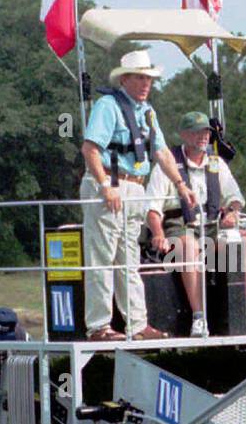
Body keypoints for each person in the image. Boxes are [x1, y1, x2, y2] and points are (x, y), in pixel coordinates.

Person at [81, 50, 194, 342]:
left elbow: (161, 152)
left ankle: (137, 324)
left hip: (135, 187)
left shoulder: (147, 112)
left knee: (129, 258)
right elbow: (91, 149)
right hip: (110, 182)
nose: (147, 84)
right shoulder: (108, 106)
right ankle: (99, 326)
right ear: (126, 79)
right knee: (102, 257)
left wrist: (181, 185)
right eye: (141, 78)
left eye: (150, 78)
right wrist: (106, 184)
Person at [145, 111, 246, 337]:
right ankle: (199, 317)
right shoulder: (167, 166)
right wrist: (157, 233)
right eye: (198, 132)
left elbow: (235, 198)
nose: (204, 136)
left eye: (206, 131)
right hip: (179, 227)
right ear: (184, 135)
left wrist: (232, 213)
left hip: (211, 226)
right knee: (189, 245)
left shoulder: (217, 164)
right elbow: (151, 208)